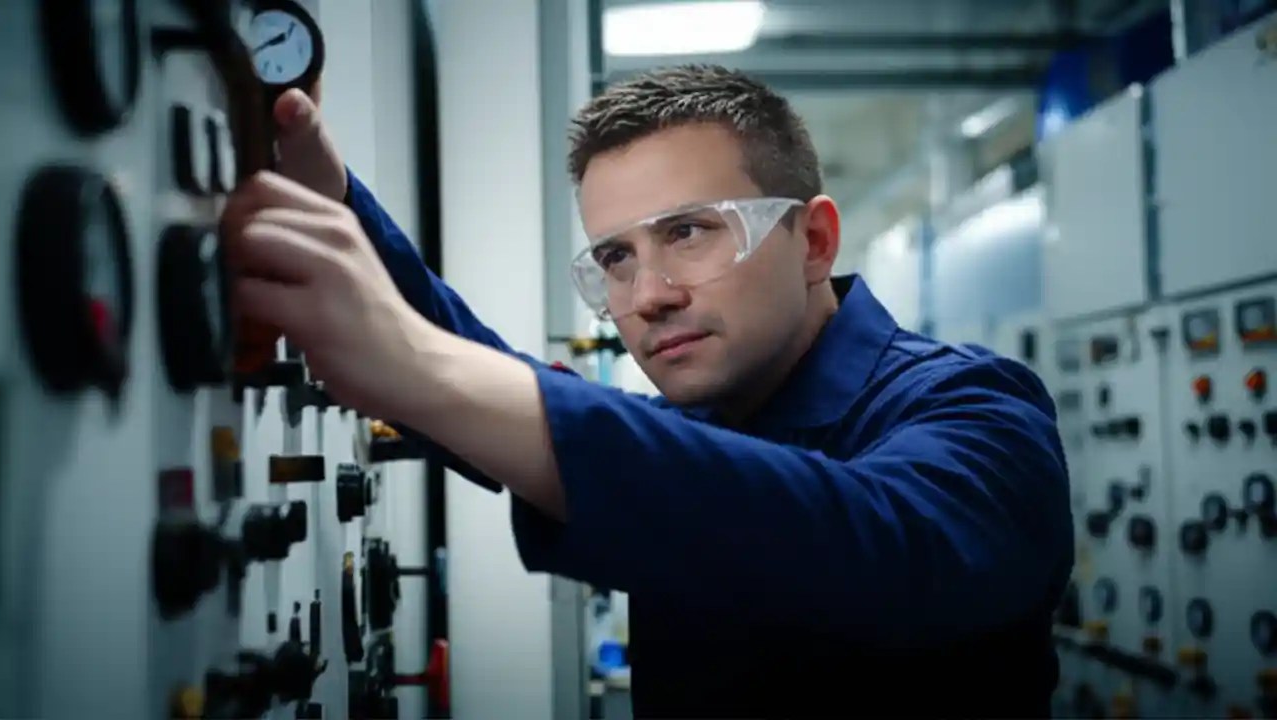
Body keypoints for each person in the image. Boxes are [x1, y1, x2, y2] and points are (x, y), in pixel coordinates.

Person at [221, 64, 1074, 717]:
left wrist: (425, 369)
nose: (646, 294)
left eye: (690, 232)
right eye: (616, 258)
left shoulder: (977, 410)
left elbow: (875, 547)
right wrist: (336, 207)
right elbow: (513, 398)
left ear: (813, 241)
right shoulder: (701, 423)